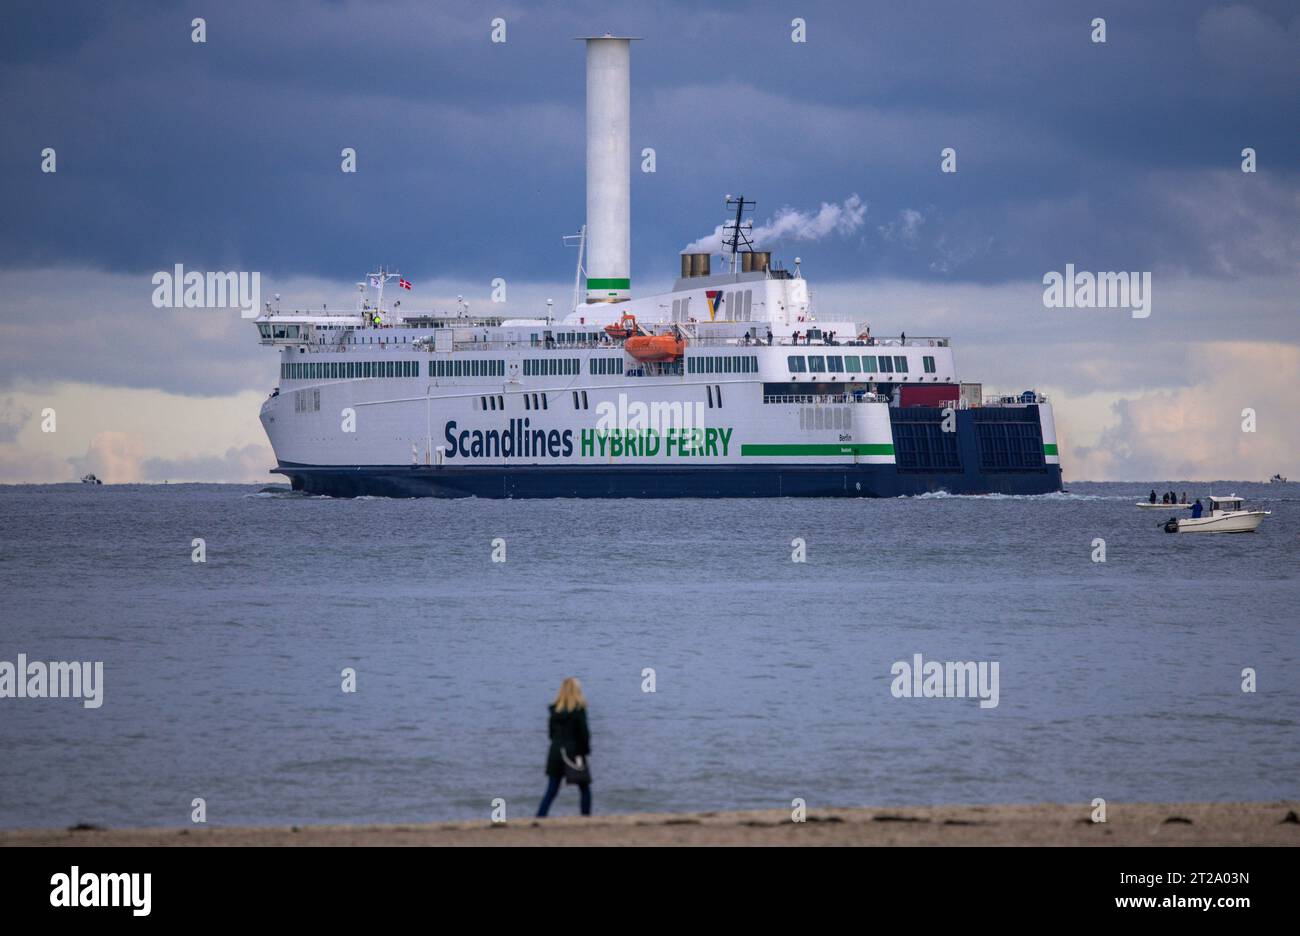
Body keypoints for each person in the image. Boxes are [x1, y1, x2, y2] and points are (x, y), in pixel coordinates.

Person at [536, 677, 592, 817]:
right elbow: (584, 734)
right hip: (575, 752)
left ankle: (540, 816)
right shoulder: (579, 710)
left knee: (552, 789)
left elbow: (551, 734)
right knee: (584, 787)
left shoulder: (554, 711)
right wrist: (585, 752)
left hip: (555, 753)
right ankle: (585, 817)